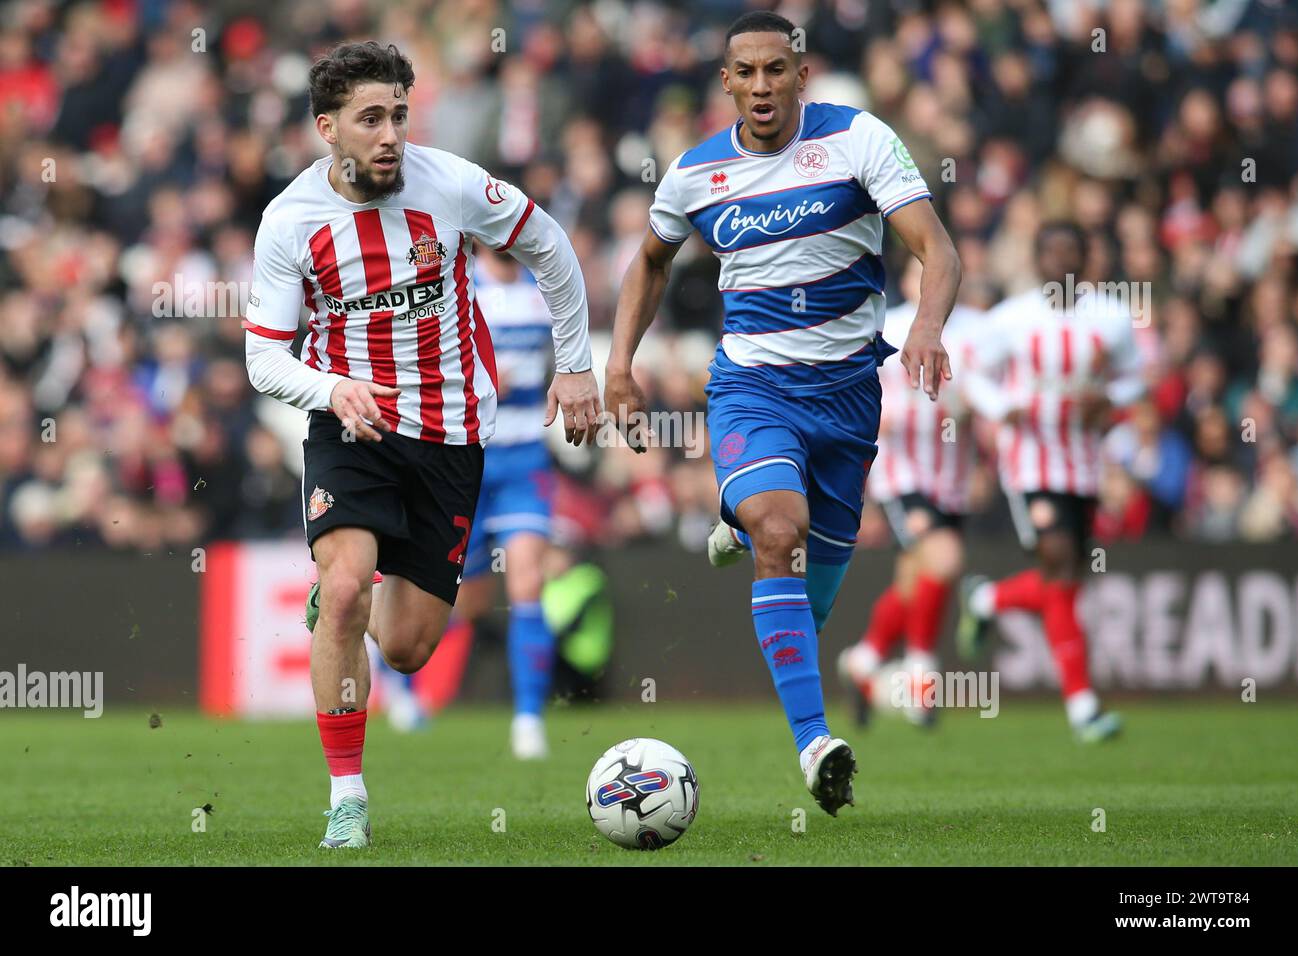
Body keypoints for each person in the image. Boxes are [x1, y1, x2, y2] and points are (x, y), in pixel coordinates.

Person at [242, 41, 599, 848]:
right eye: (370, 119)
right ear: (327, 128)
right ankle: (347, 799)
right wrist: (330, 389)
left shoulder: (453, 184)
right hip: (351, 426)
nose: (390, 134)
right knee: (344, 590)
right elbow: (263, 355)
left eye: (399, 114)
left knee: (405, 648)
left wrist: (576, 367)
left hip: (452, 434)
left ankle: (352, 597)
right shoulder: (290, 221)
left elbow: (552, 249)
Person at [604, 12, 960, 815]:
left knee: (813, 599)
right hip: (754, 387)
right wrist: (619, 365)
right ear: (725, 83)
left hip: (848, 398)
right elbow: (650, 262)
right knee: (778, 531)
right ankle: (814, 743)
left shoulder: (859, 139)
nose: (761, 86)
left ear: (802, 75)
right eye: (746, 73)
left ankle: (740, 517)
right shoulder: (696, 173)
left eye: (776, 70)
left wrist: (927, 326)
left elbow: (937, 248)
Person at [955, 221, 1143, 742]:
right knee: (1059, 560)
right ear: (1036, 261)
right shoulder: (1011, 319)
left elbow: (1135, 375)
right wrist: (1005, 410)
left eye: (1071, 253)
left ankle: (987, 600)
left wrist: (1110, 400)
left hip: (1083, 461)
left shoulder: (1111, 317)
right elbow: (974, 377)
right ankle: (1082, 706)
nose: (1061, 263)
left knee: (1066, 579)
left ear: (1087, 259)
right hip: (1030, 458)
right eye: (1051, 253)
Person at [381, 246, 562, 759]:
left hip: (525, 458)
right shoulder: (459, 285)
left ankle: (529, 719)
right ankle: (400, 685)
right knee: (464, 598)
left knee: (528, 580)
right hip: (468, 459)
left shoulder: (542, 289)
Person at [838, 258, 984, 726]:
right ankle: (921, 677)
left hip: (952, 476)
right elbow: (858, 392)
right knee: (944, 559)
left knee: (913, 580)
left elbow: (987, 394)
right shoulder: (887, 325)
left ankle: (864, 662)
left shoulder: (977, 331)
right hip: (903, 474)